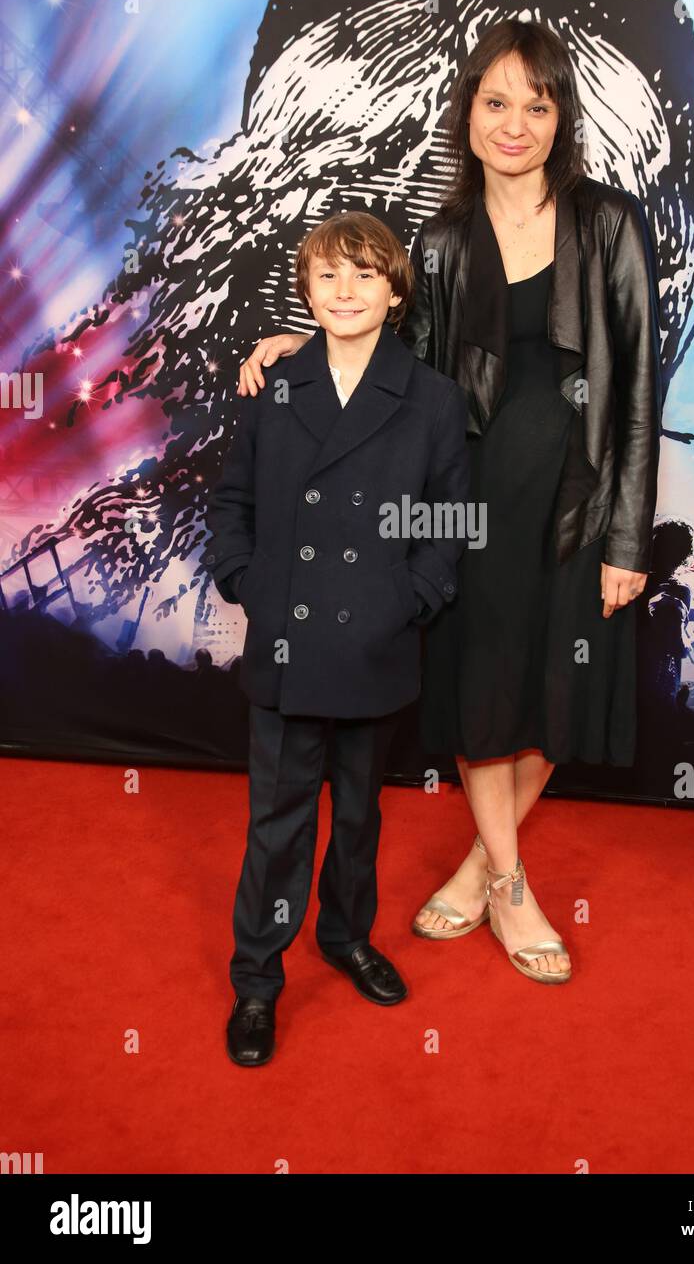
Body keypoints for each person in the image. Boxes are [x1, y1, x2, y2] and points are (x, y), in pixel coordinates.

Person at [234, 20, 662, 986]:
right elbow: (391, 356)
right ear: (467, 113)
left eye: (537, 105)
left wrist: (627, 531)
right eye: (496, 101)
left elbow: (638, 389)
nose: (515, 124)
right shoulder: (437, 241)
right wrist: (299, 347)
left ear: (561, 119)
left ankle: (480, 866)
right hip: (464, 508)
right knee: (481, 694)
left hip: (578, 499)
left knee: (561, 694)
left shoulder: (609, 225)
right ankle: (515, 892)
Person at [204, 211, 470, 1064]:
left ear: (396, 292)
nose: (345, 291)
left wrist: (412, 597)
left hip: (377, 645)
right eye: (327, 276)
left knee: (358, 817)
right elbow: (233, 503)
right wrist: (249, 584)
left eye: (364, 275)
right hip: (287, 644)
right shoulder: (273, 384)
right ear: (307, 292)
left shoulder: (432, 399)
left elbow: (447, 522)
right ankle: (257, 982)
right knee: (278, 823)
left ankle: (346, 936)